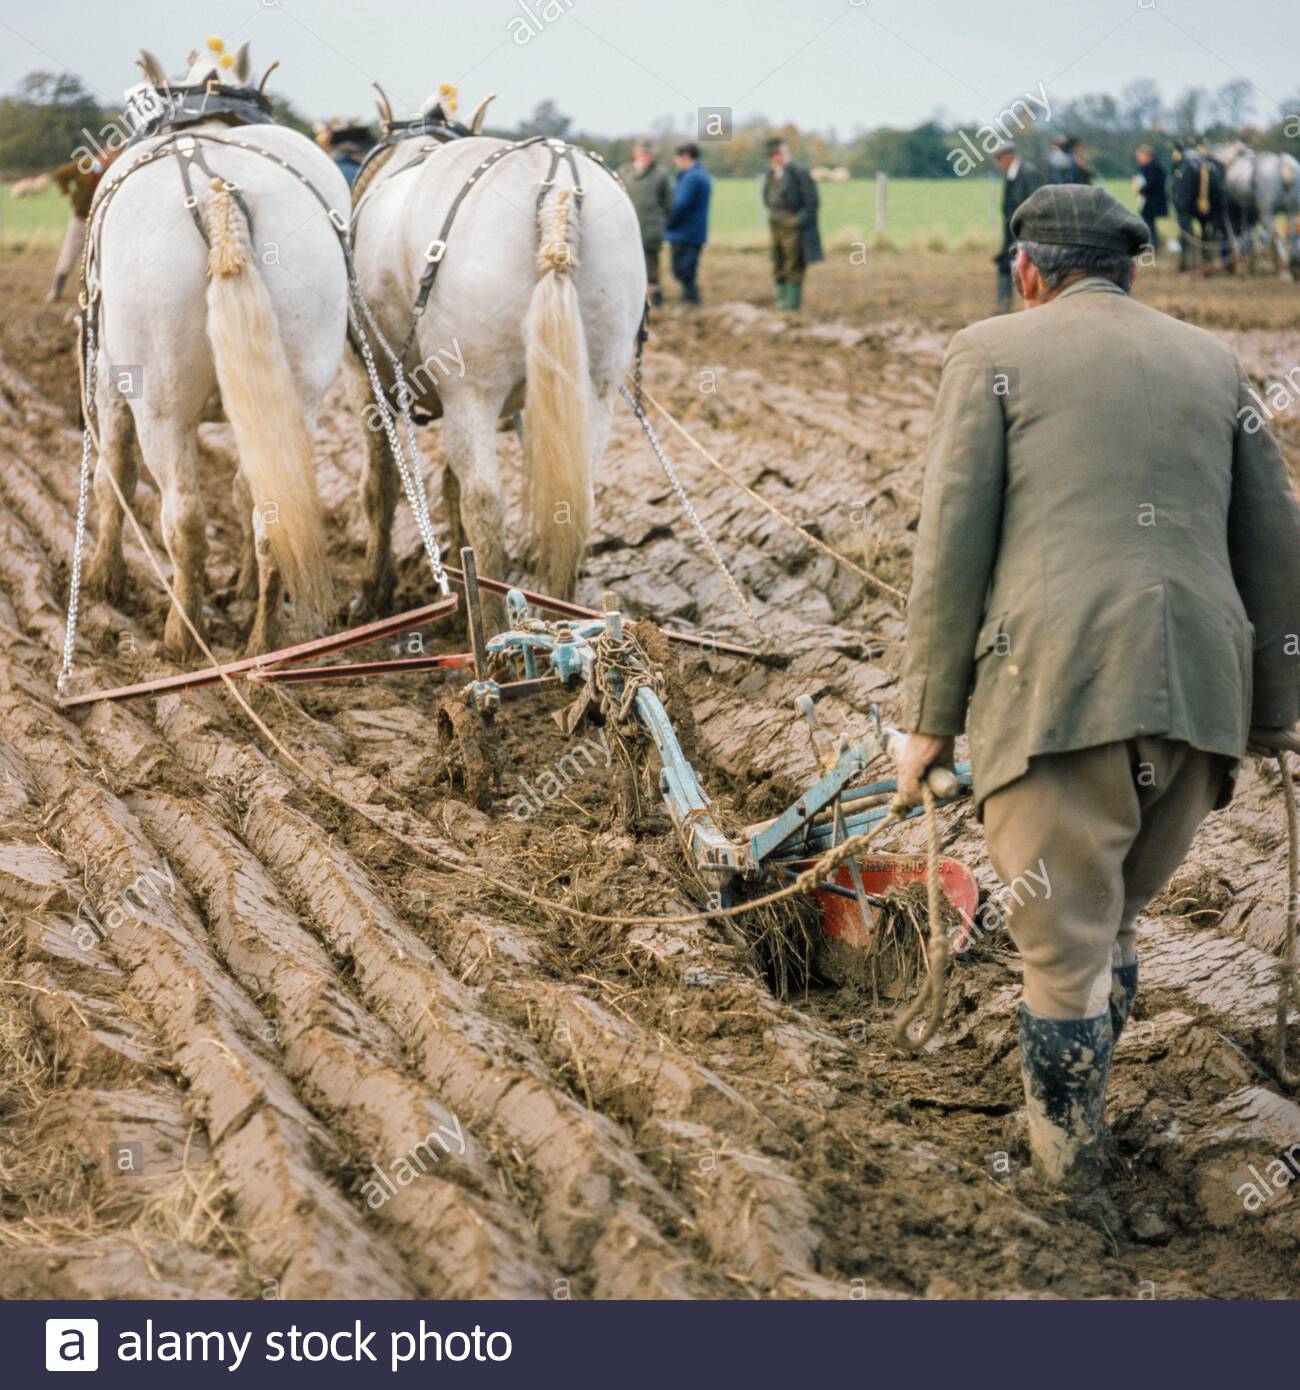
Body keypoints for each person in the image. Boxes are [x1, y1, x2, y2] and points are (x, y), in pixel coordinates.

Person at [893, 184, 1300, 1192]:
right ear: (1131, 273)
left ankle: (1068, 1184)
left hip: (1060, 694)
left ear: (1027, 270)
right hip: (1194, 704)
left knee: (1060, 954)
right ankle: (1083, 1139)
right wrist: (1272, 710)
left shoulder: (990, 353)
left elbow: (949, 547)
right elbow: (1274, 543)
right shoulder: (1213, 363)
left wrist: (928, 723)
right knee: (1111, 919)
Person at [761, 137, 823, 311]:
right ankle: (781, 303)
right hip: (776, 223)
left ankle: (792, 307)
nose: (774, 158)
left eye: (776, 154)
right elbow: (767, 197)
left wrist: (797, 221)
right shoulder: (771, 173)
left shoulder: (799, 172)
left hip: (794, 226)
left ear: (784, 152)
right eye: (771, 155)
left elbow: (812, 203)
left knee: (793, 264)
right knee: (778, 262)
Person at [619, 139, 673, 307]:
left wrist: (659, 221)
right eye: (642, 153)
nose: (645, 157)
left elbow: (668, 204)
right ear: (636, 153)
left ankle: (655, 299)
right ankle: (631, 297)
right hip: (626, 229)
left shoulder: (661, 175)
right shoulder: (625, 172)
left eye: (648, 154)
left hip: (650, 230)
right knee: (626, 264)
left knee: (651, 266)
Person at [992, 139, 1044, 311]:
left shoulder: (1028, 174)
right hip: (1012, 233)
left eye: (998, 160)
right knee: (1005, 266)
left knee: (1028, 270)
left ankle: (1031, 307)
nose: (997, 165)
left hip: (1026, 234)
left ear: (1008, 157)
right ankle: (1003, 306)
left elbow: (1036, 205)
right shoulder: (1012, 174)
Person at [49, 156, 102, 303]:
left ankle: (97, 291)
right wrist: (67, 192)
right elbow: (60, 174)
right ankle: (56, 289)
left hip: (102, 218)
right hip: (81, 217)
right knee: (69, 253)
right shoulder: (84, 165)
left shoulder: (118, 168)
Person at [664, 143, 711, 306]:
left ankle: (692, 301)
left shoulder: (692, 177)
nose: (676, 162)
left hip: (685, 232)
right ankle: (689, 300)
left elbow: (680, 205)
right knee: (686, 270)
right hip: (692, 232)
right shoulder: (699, 174)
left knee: (683, 270)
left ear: (686, 157)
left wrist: (668, 223)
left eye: (677, 159)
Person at [1133, 144, 1168, 252]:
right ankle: (1152, 244)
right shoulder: (1146, 167)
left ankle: (1153, 245)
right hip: (1148, 201)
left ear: (1146, 155)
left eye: (1139, 155)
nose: (1138, 158)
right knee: (1148, 223)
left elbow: (1151, 184)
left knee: (1149, 223)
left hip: (1152, 201)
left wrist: (1140, 189)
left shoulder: (1154, 167)